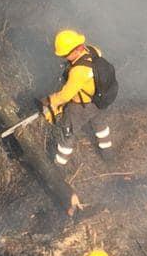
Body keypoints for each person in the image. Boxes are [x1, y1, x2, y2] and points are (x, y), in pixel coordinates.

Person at [42, 29, 116, 168]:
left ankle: (59, 165)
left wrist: (50, 100)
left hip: (80, 106)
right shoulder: (93, 50)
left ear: (76, 50)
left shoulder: (78, 72)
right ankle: (108, 155)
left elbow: (65, 96)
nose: (64, 58)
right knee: (100, 124)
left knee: (67, 133)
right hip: (97, 100)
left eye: (65, 55)